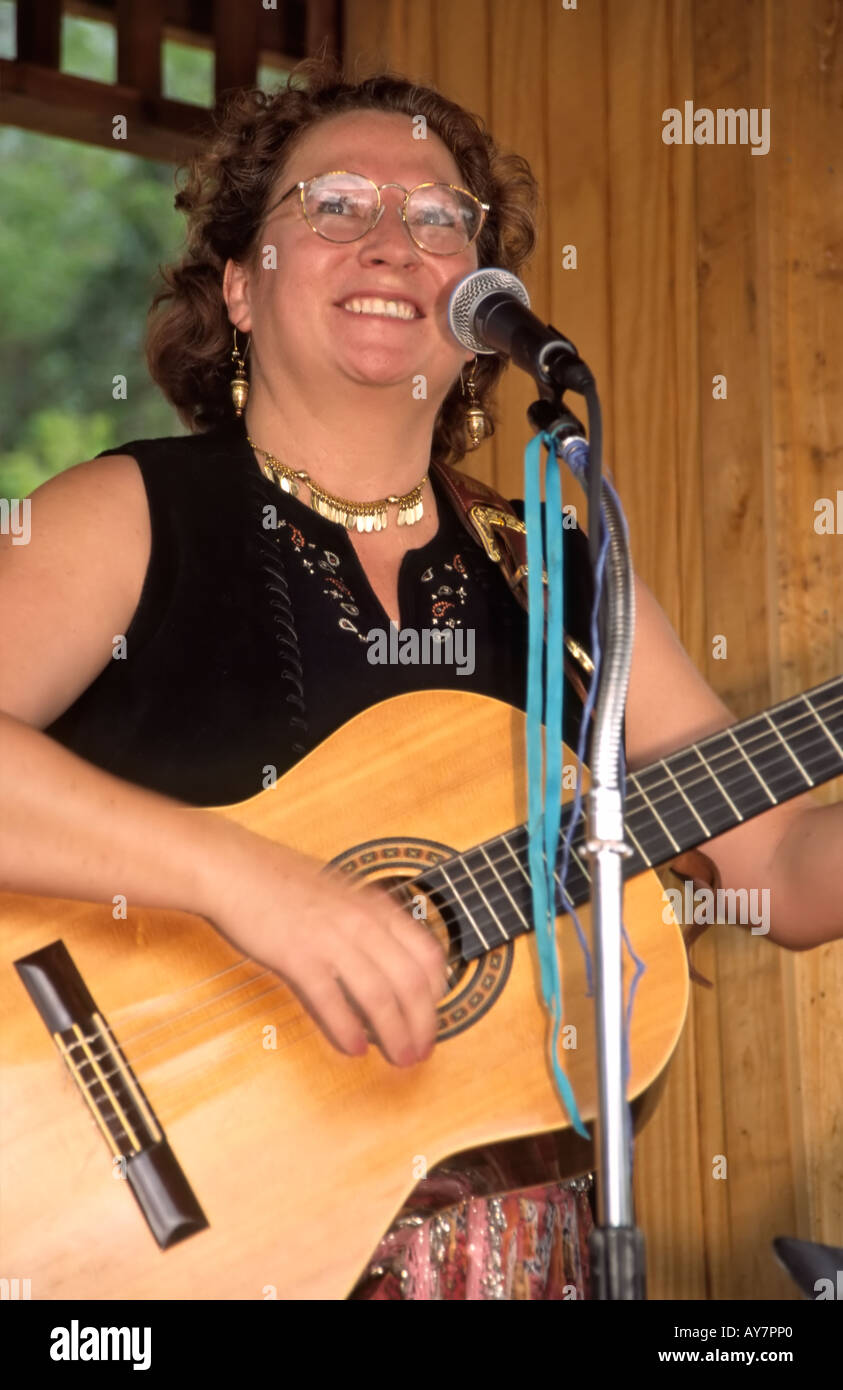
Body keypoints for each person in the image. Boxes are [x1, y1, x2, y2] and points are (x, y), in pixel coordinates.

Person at [1, 56, 840, 1301]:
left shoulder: (558, 563)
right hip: (176, 1244)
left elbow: (781, 876)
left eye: (440, 217)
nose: (393, 240)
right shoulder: (126, 514)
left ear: (479, 298)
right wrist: (247, 882)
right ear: (239, 284)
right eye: (333, 205)